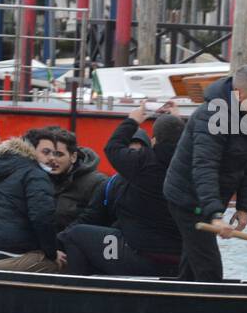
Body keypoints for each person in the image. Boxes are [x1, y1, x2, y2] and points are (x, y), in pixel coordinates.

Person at [163, 65, 247, 282]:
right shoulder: (210, 116)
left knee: (193, 263)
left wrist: (244, 207)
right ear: (239, 93)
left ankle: (179, 302)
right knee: (209, 268)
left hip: (211, 198)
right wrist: (215, 215)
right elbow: (205, 166)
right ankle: (209, 307)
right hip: (187, 197)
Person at [60, 107, 185, 277]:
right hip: (181, 257)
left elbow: (112, 147)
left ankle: (75, 292)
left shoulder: (143, 162)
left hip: (142, 254)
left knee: (75, 236)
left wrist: (132, 120)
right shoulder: (192, 165)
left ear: (153, 142)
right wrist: (179, 124)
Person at [0, 138, 63, 273]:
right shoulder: (35, 174)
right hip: (8, 257)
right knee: (58, 264)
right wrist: (52, 253)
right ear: (32, 150)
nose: (52, 158)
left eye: (54, 153)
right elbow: (42, 217)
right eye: (46, 152)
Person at [26, 126, 107, 232]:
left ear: (73, 157)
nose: (52, 159)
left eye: (58, 154)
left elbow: (93, 222)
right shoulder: (35, 178)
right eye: (47, 153)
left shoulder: (96, 183)